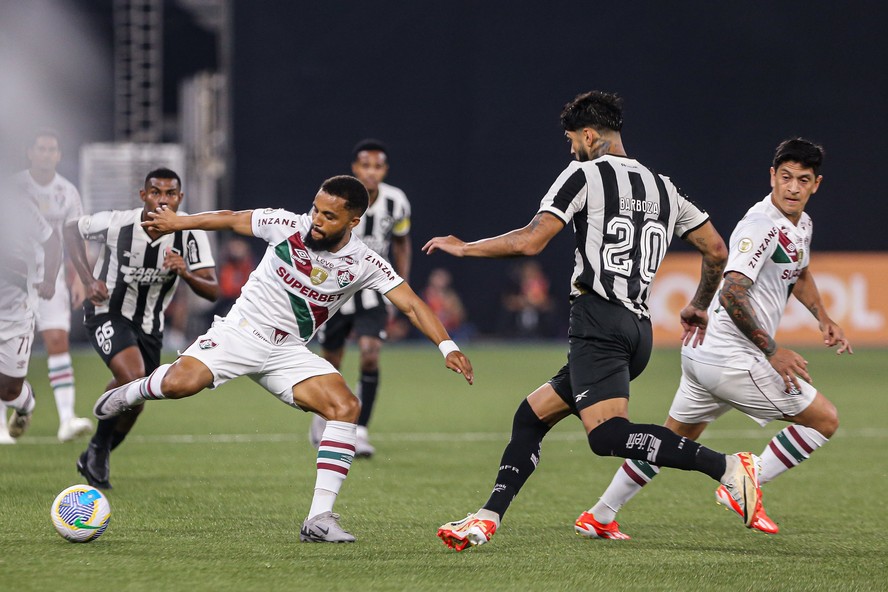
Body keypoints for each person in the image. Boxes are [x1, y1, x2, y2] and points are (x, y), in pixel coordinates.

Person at [424, 90, 761, 552]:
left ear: (588, 135)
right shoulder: (664, 187)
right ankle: (487, 518)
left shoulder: (585, 174)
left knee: (606, 436)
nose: (570, 151)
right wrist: (699, 304)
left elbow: (531, 240)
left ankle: (728, 467)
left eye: (571, 140)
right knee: (531, 416)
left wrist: (465, 248)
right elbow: (717, 250)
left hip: (598, 322)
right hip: (637, 331)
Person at [92, 174, 473, 543]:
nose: (316, 220)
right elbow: (231, 219)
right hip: (240, 332)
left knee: (345, 407)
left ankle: (318, 519)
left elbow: (411, 305)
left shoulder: (364, 262)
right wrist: (180, 222)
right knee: (180, 385)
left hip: (287, 351)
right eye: (316, 209)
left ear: (353, 222)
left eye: (329, 216)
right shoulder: (287, 224)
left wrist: (448, 346)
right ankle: (132, 392)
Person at [579, 138, 850, 537]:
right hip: (731, 357)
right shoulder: (760, 226)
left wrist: (824, 317)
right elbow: (732, 292)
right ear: (772, 177)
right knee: (824, 419)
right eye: (786, 177)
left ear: (816, 184)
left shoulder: (801, 224)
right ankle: (743, 479)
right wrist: (772, 351)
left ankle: (599, 516)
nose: (793, 187)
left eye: (803, 180)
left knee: (670, 439)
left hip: (704, 355)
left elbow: (800, 271)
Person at [65, 168, 218, 489]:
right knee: (132, 376)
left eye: (170, 194)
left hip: (150, 324)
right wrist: (88, 279)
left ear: (180, 198)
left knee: (136, 401)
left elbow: (212, 290)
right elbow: (70, 229)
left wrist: (185, 273)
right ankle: (98, 450)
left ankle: (95, 453)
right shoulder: (118, 223)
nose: (162, 200)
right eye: (155, 192)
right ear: (143, 195)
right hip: (106, 312)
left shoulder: (189, 232)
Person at [309, 140, 412, 457]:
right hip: (335, 291)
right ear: (355, 168)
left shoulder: (396, 202)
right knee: (331, 362)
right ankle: (323, 419)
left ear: (385, 170)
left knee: (370, 353)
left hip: (373, 291)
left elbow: (401, 243)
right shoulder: (337, 199)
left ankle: (360, 432)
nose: (371, 172)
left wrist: (400, 285)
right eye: (365, 165)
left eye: (377, 166)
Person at [6, 129, 93, 442]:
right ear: (30, 153)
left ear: (58, 155)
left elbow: (75, 237)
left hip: (50, 278)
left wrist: (80, 277)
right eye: (40, 148)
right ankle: (3, 423)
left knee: (57, 340)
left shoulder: (67, 192)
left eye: (51, 149)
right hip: (11, 280)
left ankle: (66, 419)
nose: (46, 154)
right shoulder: (13, 187)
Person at [0, 189, 62, 443]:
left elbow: (53, 242)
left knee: (9, 391)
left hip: (16, 314)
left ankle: (26, 404)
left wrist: (49, 279)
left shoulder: (19, 207)